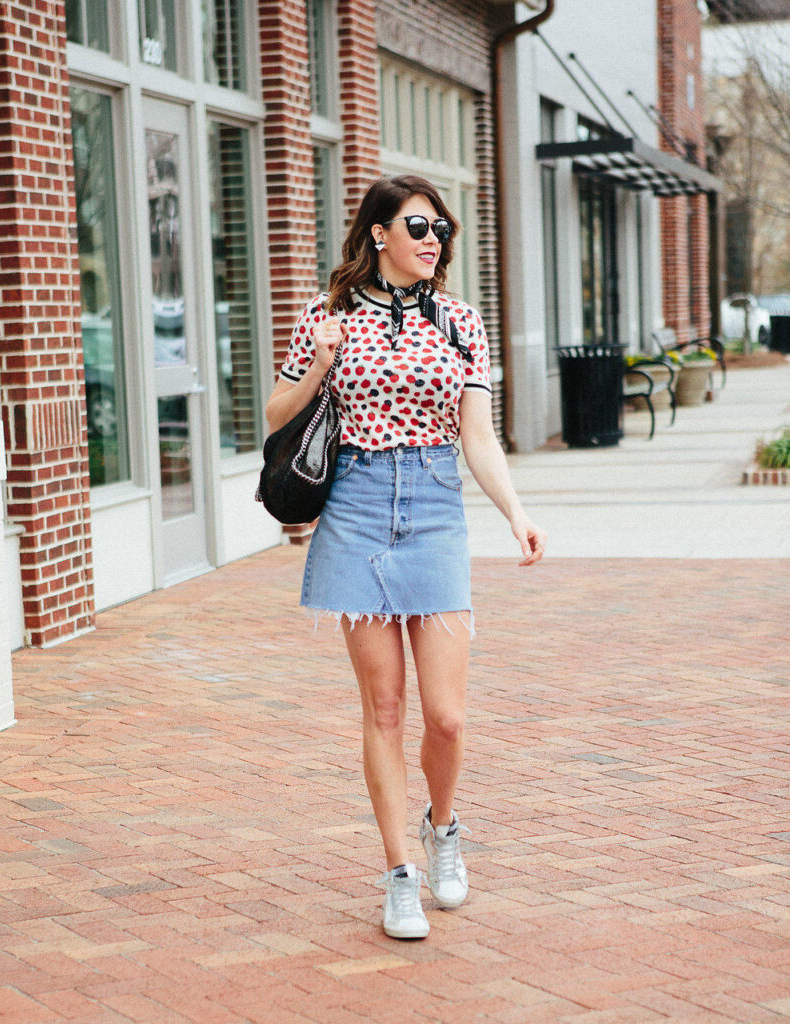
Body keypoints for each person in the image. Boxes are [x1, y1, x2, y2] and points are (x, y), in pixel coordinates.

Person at [265, 174, 547, 940]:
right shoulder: (326, 320)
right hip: (354, 508)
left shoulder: (461, 324)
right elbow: (275, 414)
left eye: (441, 231)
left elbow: (478, 438)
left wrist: (514, 513)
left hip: (432, 508)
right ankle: (397, 873)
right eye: (419, 227)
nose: (433, 241)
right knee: (383, 709)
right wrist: (321, 362)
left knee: (447, 718)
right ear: (378, 234)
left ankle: (443, 826)